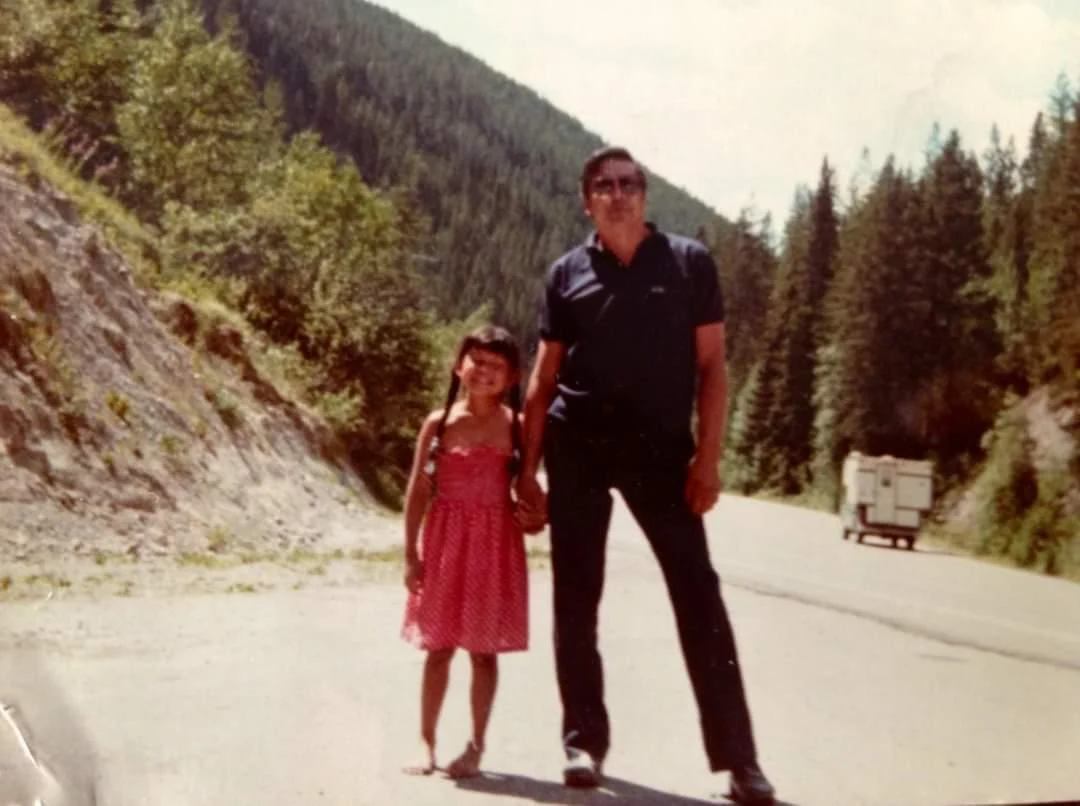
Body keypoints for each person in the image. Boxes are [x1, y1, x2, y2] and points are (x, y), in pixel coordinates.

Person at [515, 147, 777, 804]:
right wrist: (527, 472)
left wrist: (708, 458)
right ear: (587, 202)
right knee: (576, 596)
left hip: (659, 453)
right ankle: (582, 742)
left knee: (699, 595)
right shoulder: (567, 273)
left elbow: (713, 368)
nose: (618, 194)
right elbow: (543, 378)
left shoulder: (688, 263)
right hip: (578, 447)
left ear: (645, 194)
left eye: (629, 183)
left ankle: (740, 761)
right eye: (604, 186)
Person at [400, 325, 530, 780]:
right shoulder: (439, 424)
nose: (484, 371)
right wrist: (410, 554)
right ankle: (426, 740)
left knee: (482, 651)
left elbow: (530, 491)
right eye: (477, 360)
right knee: (437, 647)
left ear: (512, 377)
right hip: (444, 545)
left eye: (497, 365)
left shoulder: (517, 428)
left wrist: (533, 513)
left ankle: (476, 746)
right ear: (459, 366)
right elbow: (418, 489)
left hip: (494, 549)